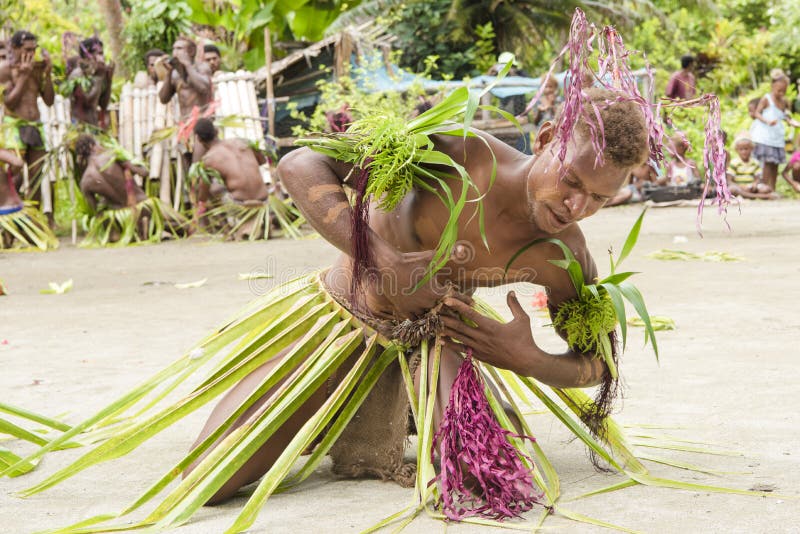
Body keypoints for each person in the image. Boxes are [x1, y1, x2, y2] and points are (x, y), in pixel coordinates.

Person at [181, 86, 650, 503]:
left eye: (600, 198)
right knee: (207, 479)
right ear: (547, 138)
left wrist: (526, 359)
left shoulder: (562, 254)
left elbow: (597, 365)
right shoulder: (456, 152)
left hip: (436, 342)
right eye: (571, 181)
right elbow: (301, 164)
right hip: (345, 321)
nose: (577, 208)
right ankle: (337, 415)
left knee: (480, 483)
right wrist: (379, 257)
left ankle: (429, 410)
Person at [0, 31, 55, 220]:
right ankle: (9, 222)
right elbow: (9, 103)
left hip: (35, 125)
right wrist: (23, 77)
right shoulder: (5, 69)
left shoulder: (37, 68)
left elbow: (48, 101)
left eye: (34, 50)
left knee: (37, 176)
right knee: (13, 174)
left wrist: (47, 75)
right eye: (26, 50)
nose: (31, 54)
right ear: (14, 49)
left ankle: (33, 221)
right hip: (14, 125)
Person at [750, 69, 800, 191]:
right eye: (779, 90)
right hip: (766, 136)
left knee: (775, 163)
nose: (781, 93)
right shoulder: (767, 99)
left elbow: (785, 116)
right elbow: (756, 113)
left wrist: (791, 122)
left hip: (777, 136)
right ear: (772, 86)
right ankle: (765, 187)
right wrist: (767, 121)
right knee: (767, 162)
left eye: (784, 91)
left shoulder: (784, 102)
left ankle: (772, 188)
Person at [75, 134, 149, 213]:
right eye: (98, 144)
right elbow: (143, 173)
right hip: (142, 206)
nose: (100, 147)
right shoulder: (112, 155)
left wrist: (106, 198)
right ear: (91, 146)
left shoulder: (85, 182)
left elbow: (96, 212)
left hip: (121, 219)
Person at [158, 37, 213, 122]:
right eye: (174, 49)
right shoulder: (174, 74)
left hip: (202, 121)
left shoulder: (202, 68)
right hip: (184, 123)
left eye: (179, 49)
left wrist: (187, 64)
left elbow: (204, 88)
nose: (175, 52)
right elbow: (163, 99)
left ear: (191, 51)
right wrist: (168, 73)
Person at [68, 37, 114, 128]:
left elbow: (103, 105)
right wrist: (99, 77)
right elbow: (86, 103)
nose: (103, 58)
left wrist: (109, 80)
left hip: (94, 126)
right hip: (79, 127)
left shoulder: (97, 74)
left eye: (102, 53)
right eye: (99, 54)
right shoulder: (77, 75)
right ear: (88, 57)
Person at [726, 131, 776, 199]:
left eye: (746, 149)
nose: (744, 152)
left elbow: (757, 178)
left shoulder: (755, 163)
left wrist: (755, 184)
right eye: (741, 149)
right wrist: (740, 187)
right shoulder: (734, 163)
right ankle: (760, 196)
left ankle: (747, 195)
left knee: (766, 189)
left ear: (752, 149)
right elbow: (729, 181)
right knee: (732, 189)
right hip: (738, 187)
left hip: (751, 187)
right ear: (737, 150)